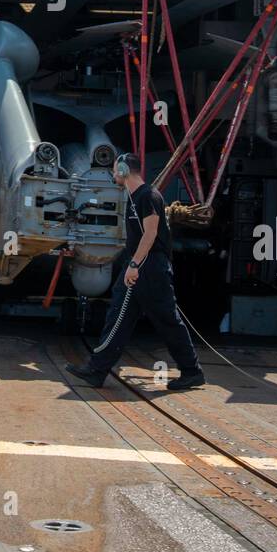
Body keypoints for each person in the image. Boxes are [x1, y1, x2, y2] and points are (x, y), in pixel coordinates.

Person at [66, 153, 205, 392]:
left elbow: (150, 234)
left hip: (147, 268)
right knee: (128, 318)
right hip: (145, 266)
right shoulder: (134, 198)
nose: (112, 175)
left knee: (146, 319)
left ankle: (191, 371)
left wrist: (133, 266)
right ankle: (97, 370)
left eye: (113, 170)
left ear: (122, 169)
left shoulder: (147, 196)